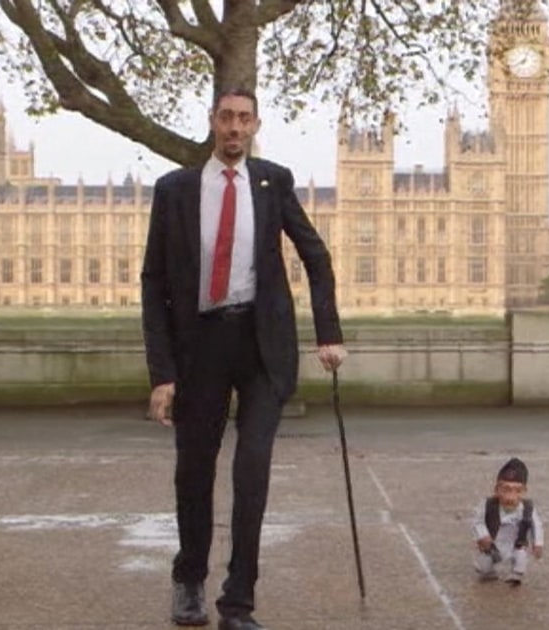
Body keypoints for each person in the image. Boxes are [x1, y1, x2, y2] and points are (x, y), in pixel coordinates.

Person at [141, 87, 347, 630]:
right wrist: (162, 373)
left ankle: (239, 602)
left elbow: (317, 258)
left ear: (255, 126)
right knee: (194, 472)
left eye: (244, 119)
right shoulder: (175, 190)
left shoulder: (273, 181)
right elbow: (154, 283)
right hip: (200, 346)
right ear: (213, 122)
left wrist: (328, 332)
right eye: (226, 118)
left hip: (260, 346)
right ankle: (189, 579)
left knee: (251, 471)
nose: (235, 127)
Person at [471, 457, 544, 586]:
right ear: (497, 489)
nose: (511, 497)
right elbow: (478, 522)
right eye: (506, 489)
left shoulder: (527, 508)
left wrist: (537, 543)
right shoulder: (488, 505)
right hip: (493, 544)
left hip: (516, 544)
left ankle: (516, 574)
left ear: (524, 491)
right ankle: (489, 572)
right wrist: (483, 536)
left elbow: (536, 525)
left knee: (520, 558)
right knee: (484, 566)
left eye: (517, 490)